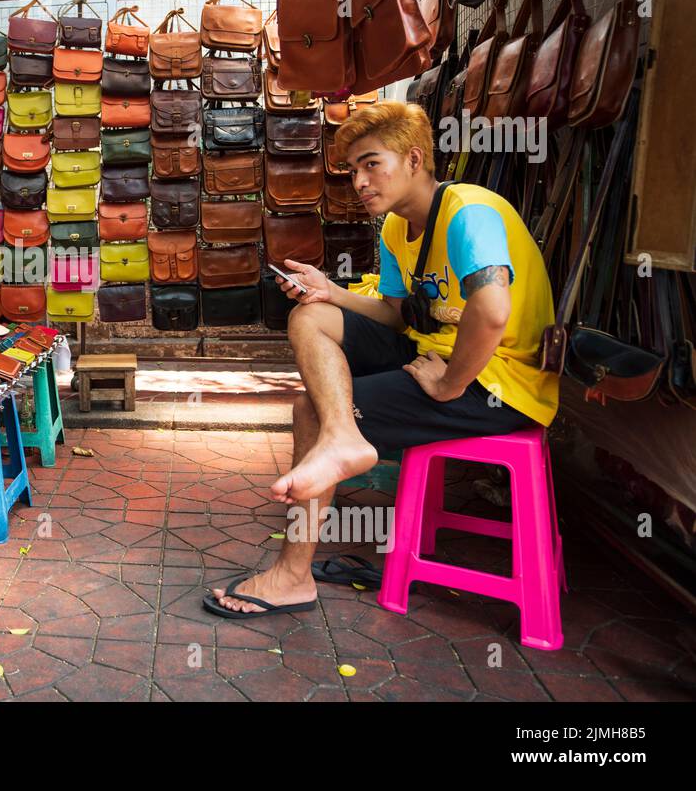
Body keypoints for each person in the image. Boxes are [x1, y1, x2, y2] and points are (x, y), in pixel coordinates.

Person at [206, 101, 559, 617]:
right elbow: (395, 315)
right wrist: (329, 291)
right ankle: (344, 437)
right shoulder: (397, 228)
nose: (359, 181)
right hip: (430, 355)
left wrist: (451, 384)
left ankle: (291, 576)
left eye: (372, 163)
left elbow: (492, 309)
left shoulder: (468, 211)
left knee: (310, 410)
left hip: (498, 383)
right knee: (310, 318)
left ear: (414, 160)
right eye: (352, 170)